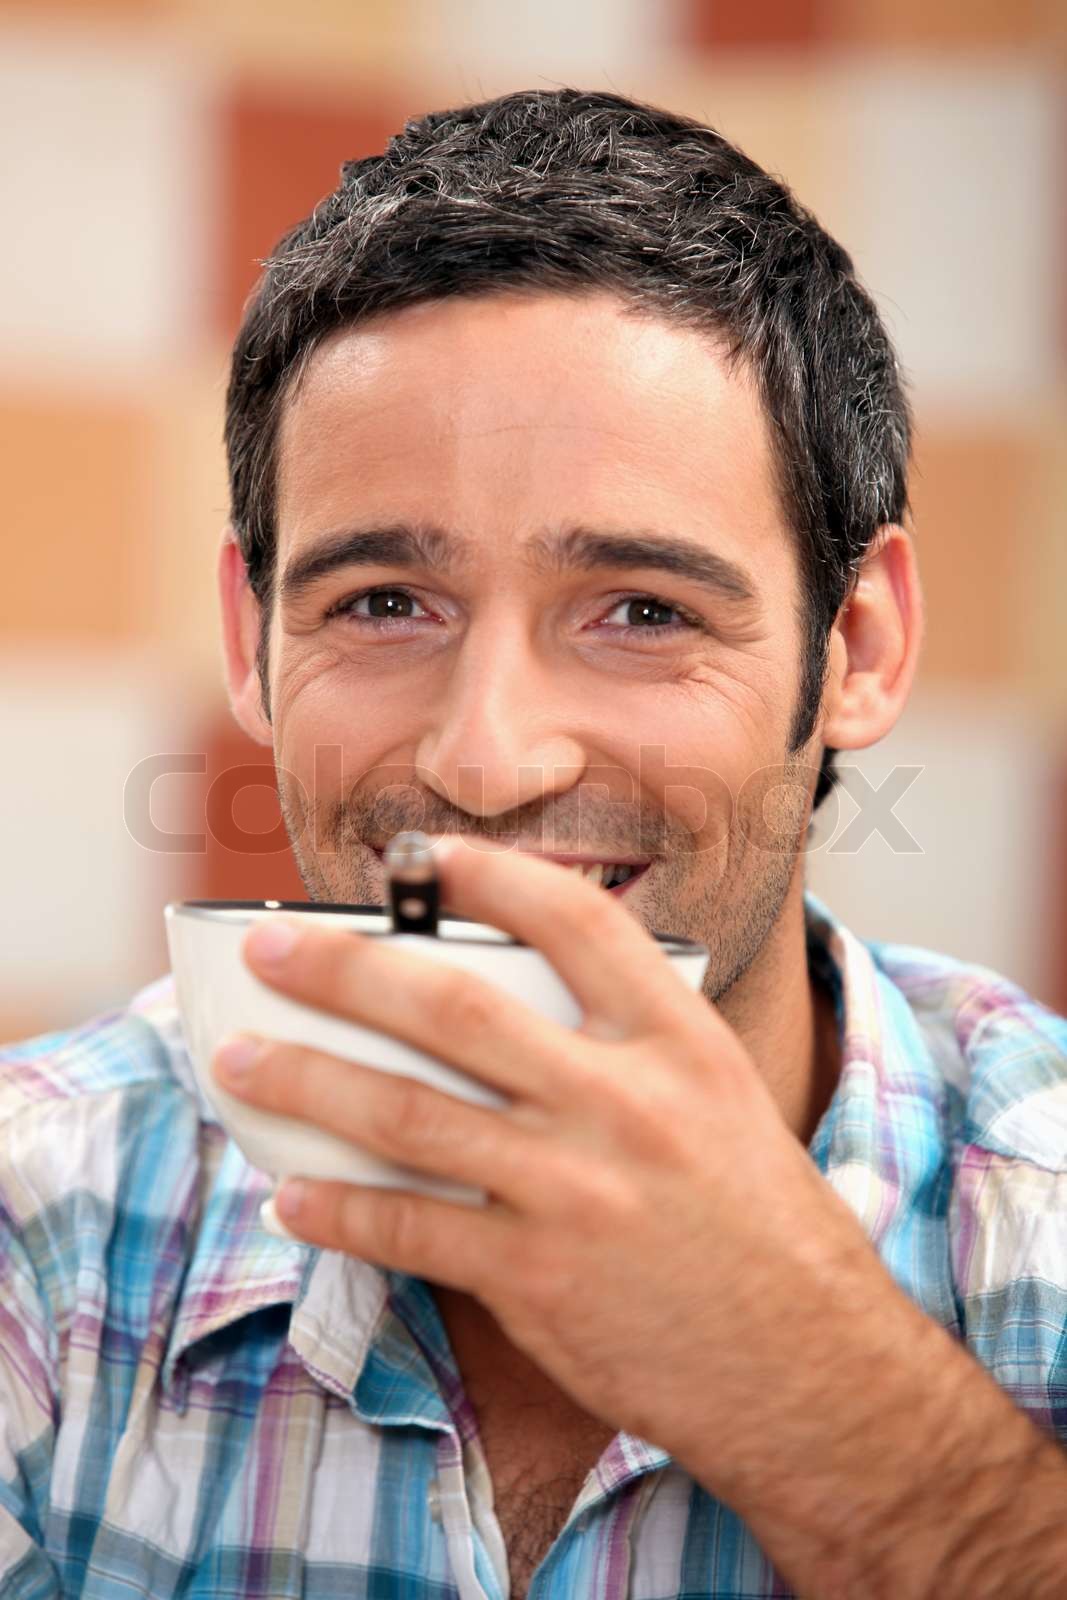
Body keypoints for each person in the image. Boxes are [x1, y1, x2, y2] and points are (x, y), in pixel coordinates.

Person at [2, 86, 1066, 1600]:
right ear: (252, 642)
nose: (488, 763)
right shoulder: (35, 1214)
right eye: (384, 603)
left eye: (643, 610)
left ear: (859, 649)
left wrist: (832, 1402)